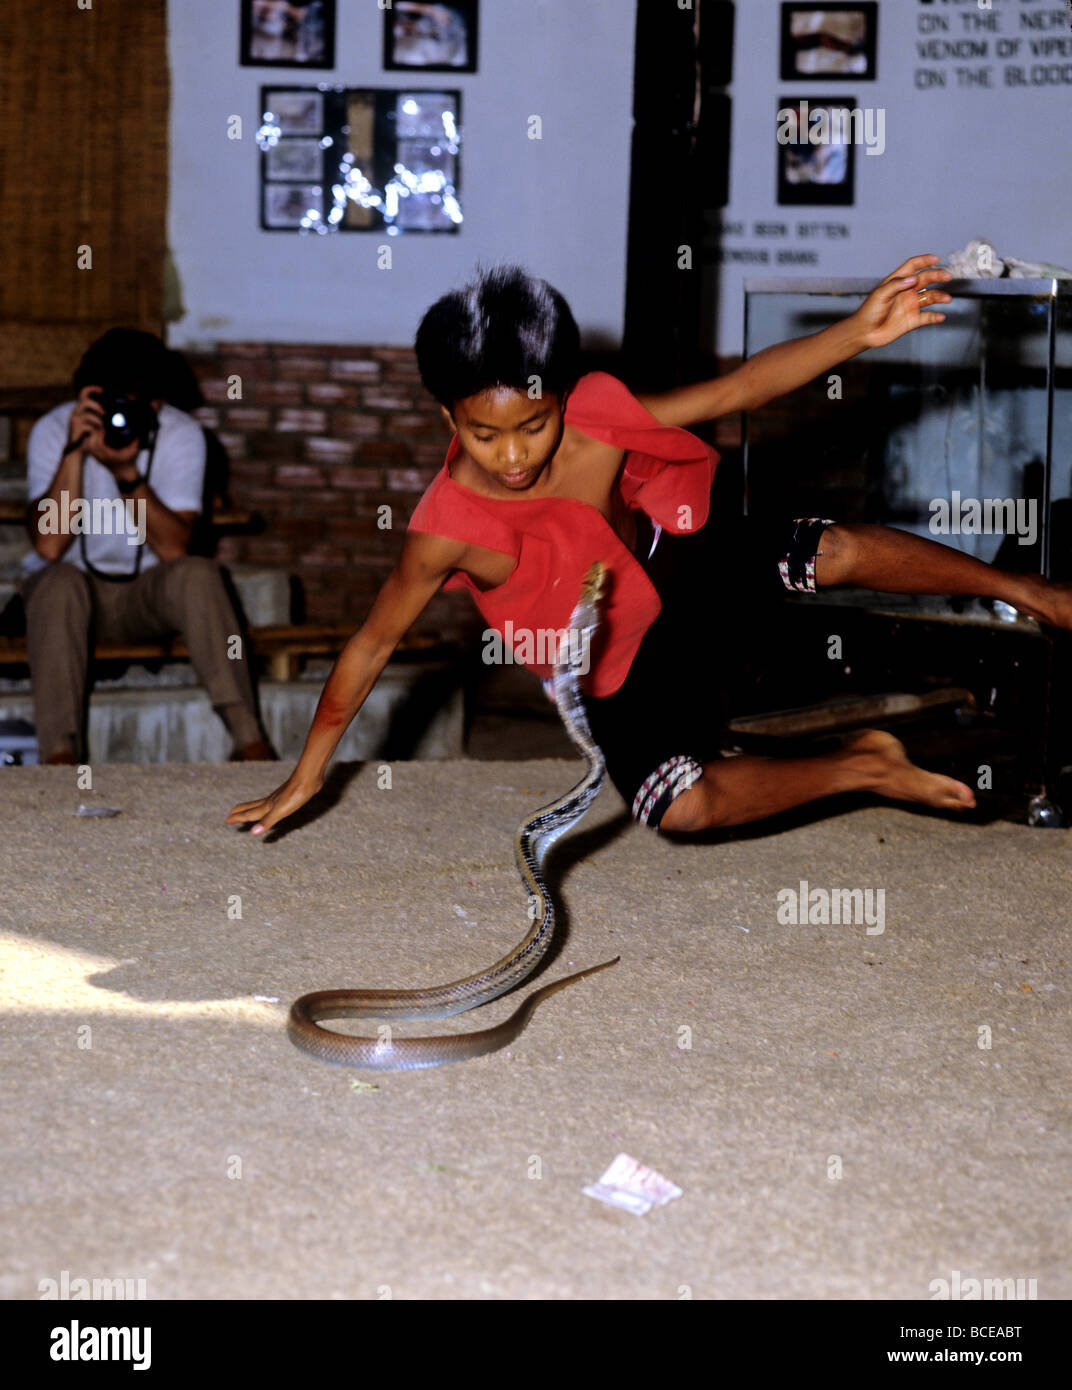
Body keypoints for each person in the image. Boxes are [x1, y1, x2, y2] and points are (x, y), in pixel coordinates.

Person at [228, 254, 1072, 838]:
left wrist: (857, 332)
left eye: (534, 424)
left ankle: (1032, 594)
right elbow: (371, 644)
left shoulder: (594, 418)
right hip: (607, 651)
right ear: (449, 419)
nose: (517, 455)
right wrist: (310, 773)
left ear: (560, 396)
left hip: (676, 560)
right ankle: (864, 766)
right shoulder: (448, 527)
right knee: (685, 811)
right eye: (488, 436)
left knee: (837, 552)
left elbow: (738, 387)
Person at [21, 328, 275, 765]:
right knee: (58, 581)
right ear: (91, 396)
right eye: (119, 400)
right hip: (71, 596)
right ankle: (59, 756)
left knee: (199, 573)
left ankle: (249, 741)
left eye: (147, 399)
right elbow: (48, 546)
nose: (132, 412)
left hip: (145, 596)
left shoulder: (180, 434)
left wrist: (126, 474)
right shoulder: (54, 429)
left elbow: (176, 550)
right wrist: (75, 454)